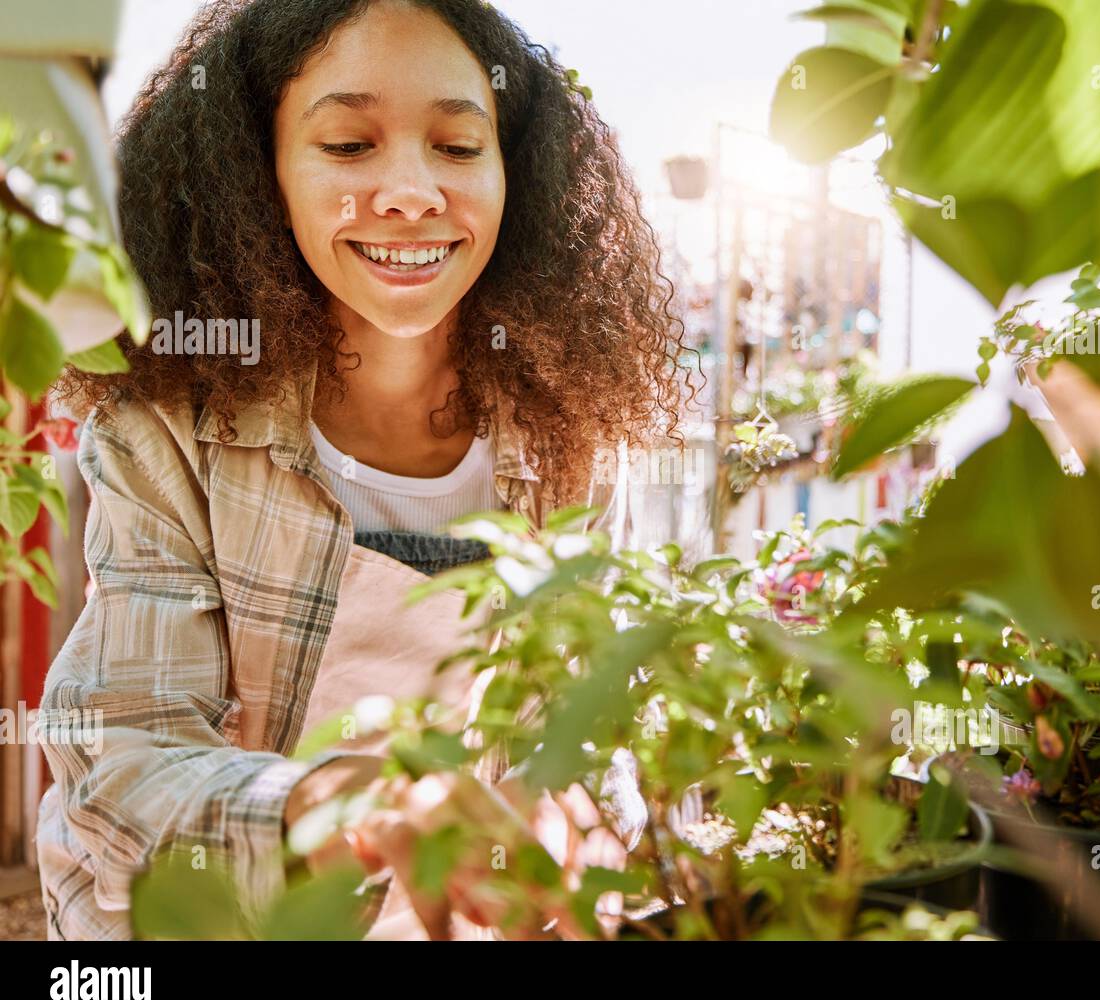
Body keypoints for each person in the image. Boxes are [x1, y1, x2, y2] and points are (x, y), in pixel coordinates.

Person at [36, 0, 694, 941]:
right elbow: (125, 752)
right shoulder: (168, 425)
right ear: (256, 176)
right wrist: (347, 805)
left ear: (521, 175)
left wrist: (575, 824)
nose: (413, 191)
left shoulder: (567, 431)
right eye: (347, 144)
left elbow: (584, 723)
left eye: (460, 147)